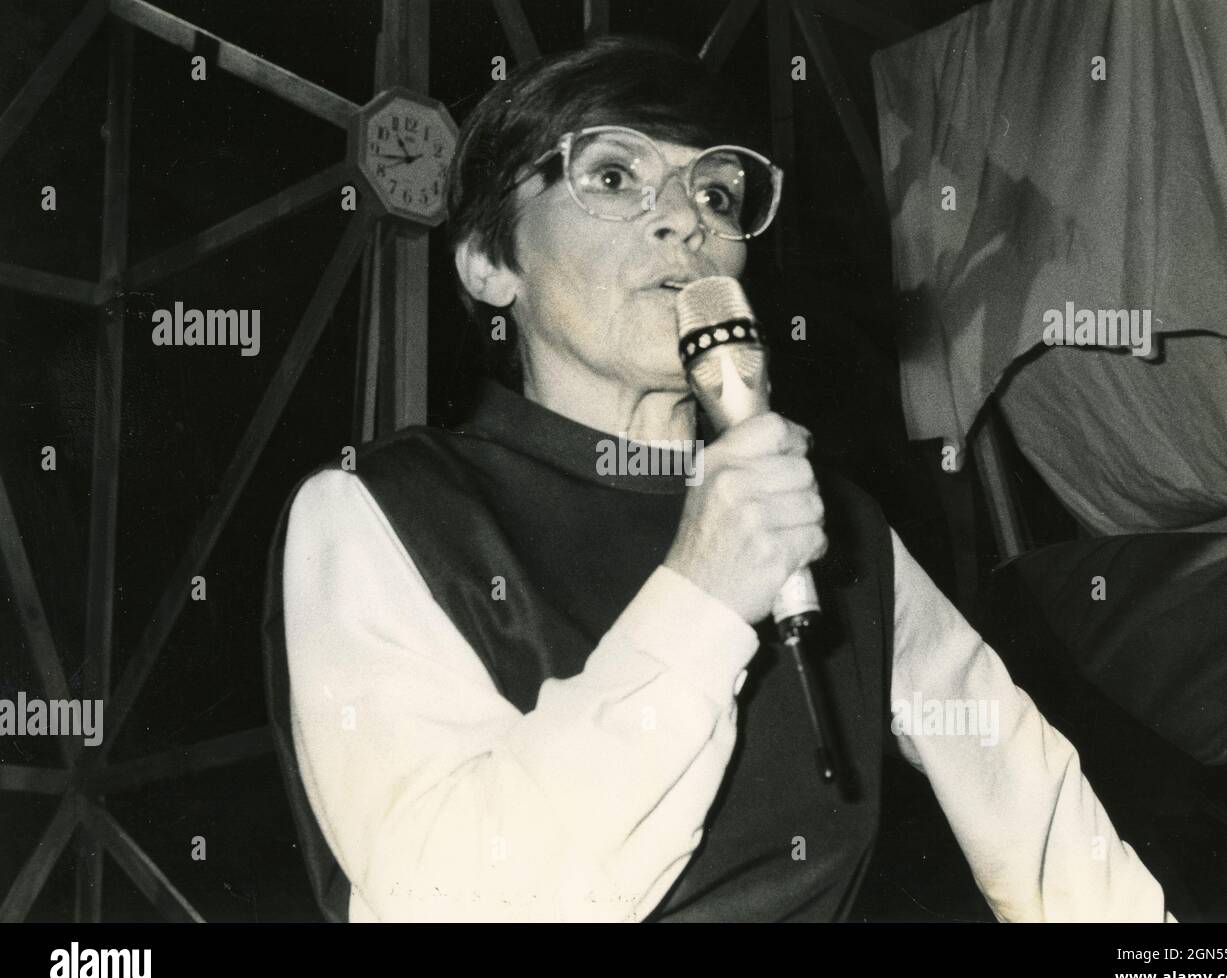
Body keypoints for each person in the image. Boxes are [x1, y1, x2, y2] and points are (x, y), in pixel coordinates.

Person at [262, 35, 1175, 923]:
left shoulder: (823, 519)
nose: (687, 217)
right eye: (614, 176)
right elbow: (453, 901)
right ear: (490, 264)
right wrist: (700, 599)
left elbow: (1023, 785)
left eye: (716, 191)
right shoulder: (385, 513)